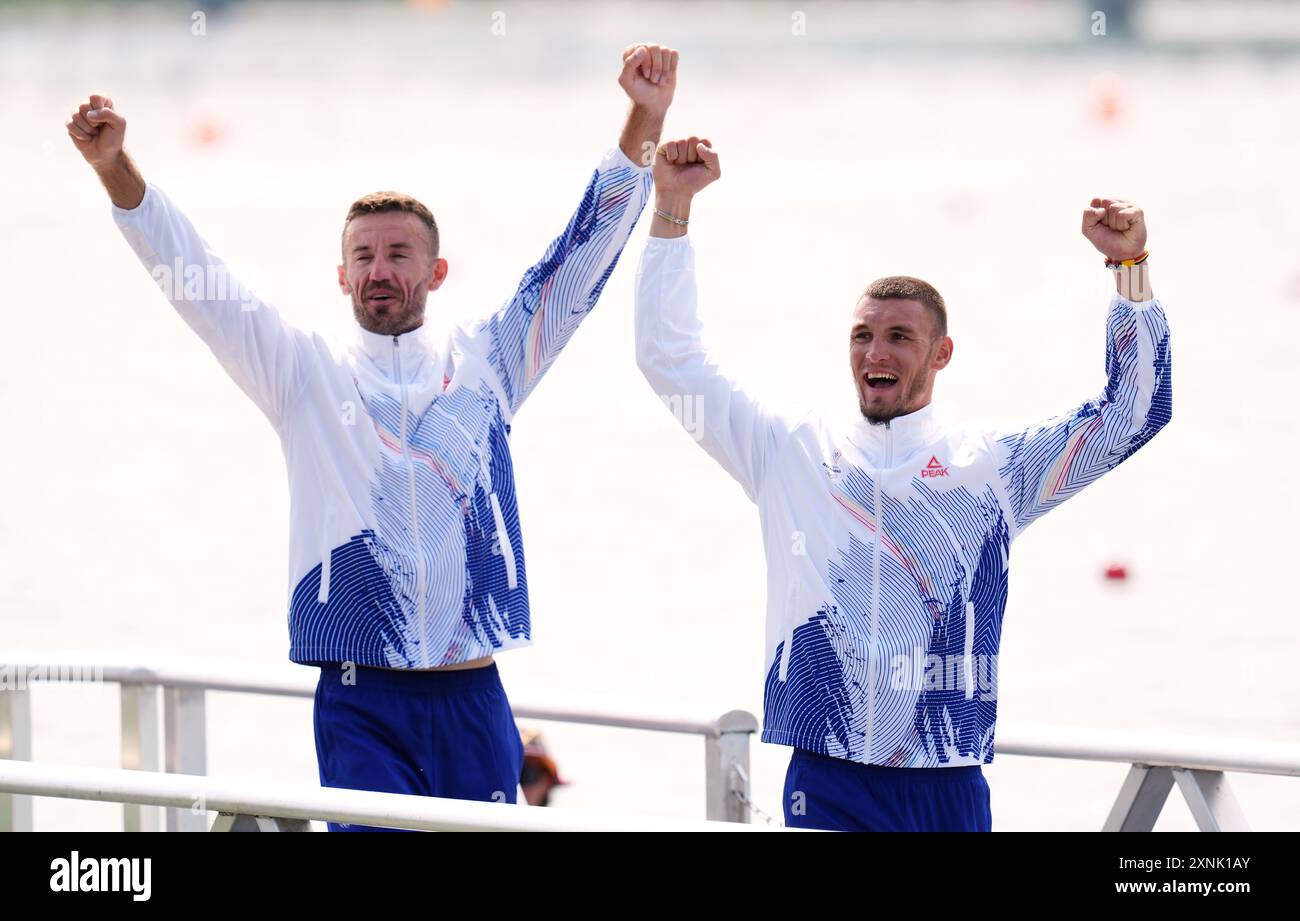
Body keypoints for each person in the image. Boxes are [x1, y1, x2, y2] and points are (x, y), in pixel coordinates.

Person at [66, 42, 678, 832]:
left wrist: (644, 118)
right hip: (362, 696)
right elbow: (198, 279)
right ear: (342, 276)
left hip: (472, 691)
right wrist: (116, 167)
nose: (380, 269)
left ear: (437, 271)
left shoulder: (490, 362)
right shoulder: (303, 373)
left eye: (398, 254)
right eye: (363, 256)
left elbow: (579, 258)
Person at [634, 137, 1171, 831]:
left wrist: (1130, 268)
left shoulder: (993, 468)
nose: (875, 353)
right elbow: (668, 359)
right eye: (862, 335)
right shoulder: (788, 449)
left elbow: (1132, 412)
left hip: (945, 777)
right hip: (825, 773)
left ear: (941, 353)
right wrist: (672, 209)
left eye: (898, 337)